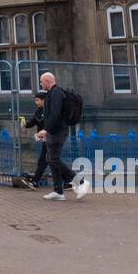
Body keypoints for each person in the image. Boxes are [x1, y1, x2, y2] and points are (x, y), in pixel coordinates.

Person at [27, 72, 89, 201]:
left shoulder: (56, 93)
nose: (40, 84)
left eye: (41, 81)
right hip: (53, 131)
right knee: (50, 159)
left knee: (53, 159)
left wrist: (46, 130)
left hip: (58, 131)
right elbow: (50, 115)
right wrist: (46, 131)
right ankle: (58, 191)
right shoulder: (51, 93)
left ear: (48, 81)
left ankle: (81, 181)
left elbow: (55, 114)